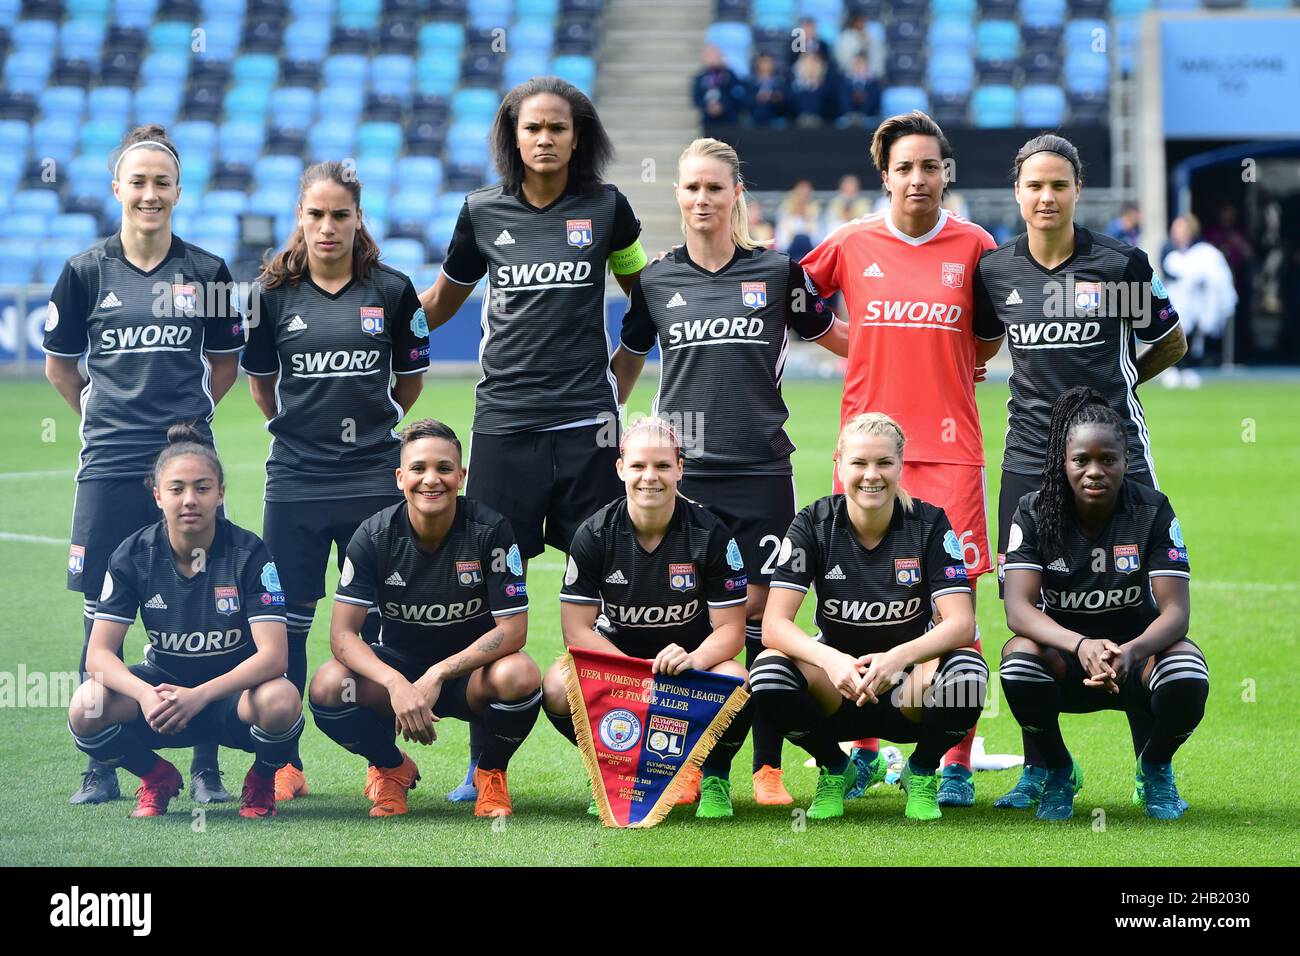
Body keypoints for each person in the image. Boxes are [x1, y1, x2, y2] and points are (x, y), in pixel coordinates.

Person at [415, 77, 647, 801]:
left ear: (579, 137)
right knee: (488, 596)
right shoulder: (481, 212)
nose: (544, 139)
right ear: (511, 137)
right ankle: (487, 765)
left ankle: (621, 750)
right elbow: (437, 304)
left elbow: (648, 300)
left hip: (587, 431)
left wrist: (620, 381)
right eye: (530, 128)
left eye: (557, 127)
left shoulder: (607, 209)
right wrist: (371, 323)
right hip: (506, 430)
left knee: (613, 590)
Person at [610, 138, 849, 805]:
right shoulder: (655, 280)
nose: (702, 199)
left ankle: (767, 767)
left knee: (763, 625)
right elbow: (623, 366)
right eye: (690, 188)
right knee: (707, 628)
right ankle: (708, 769)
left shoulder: (777, 273)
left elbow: (841, 340)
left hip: (764, 475)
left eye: (715, 188)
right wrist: (610, 426)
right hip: (691, 482)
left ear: (736, 194)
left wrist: (927, 356)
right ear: (678, 195)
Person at [973, 134, 1188, 803]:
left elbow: (1170, 341)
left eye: (1058, 185)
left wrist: (1114, 391)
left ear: (1077, 190)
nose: (1046, 196)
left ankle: (1154, 767)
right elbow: (983, 343)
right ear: (1017, 191)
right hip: (1029, 464)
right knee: (1027, 612)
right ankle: (1046, 767)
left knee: (1138, 602)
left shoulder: (1118, 265)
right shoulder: (996, 272)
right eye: (1034, 185)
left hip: (1116, 459)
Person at [800, 111, 1002, 806]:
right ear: (885, 177)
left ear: (946, 172)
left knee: (958, 610)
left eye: (930, 166)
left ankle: (954, 763)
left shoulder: (975, 245)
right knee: (854, 604)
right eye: (905, 168)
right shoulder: (851, 243)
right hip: (865, 456)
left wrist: (959, 361)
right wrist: (849, 345)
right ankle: (858, 751)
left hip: (951, 455)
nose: (918, 178)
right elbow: (796, 300)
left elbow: (990, 332)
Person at [44, 124, 244, 806]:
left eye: (163, 182)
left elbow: (225, 363)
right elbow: (60, 367)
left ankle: (206, 766)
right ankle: (100, 766)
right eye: (139, 181)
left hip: (186, 460)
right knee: (99, 614)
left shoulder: (209, 272)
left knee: (207, 606)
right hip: (108, 464)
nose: (150, 193)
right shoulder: (83, 271)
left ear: (178, 191)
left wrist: (187, 426)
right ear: (117, 190)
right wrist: (104, 422)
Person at [241, 160, 428, 803]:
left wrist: (372, 436)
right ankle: (286, 760)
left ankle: (381, 761)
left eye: (340, 215)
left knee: (373, 629)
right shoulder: (269, 296)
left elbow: (410, 383)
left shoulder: (393, 291)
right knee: (285, 628)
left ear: (357, 219)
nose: (327, 227)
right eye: (315, 214)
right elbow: (262, 387)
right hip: (293, 482)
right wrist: (299, 434)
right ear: (301, 216)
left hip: (373, 481)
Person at [751, 413, 987, 821]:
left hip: (908, 691)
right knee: (767, 673)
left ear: (901, 465)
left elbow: (961, 623)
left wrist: (897, 657)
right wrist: (830, 659)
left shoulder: (929, 524)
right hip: (837, 687)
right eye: (859, 463)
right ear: (839, 464)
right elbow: (773, 625)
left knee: (969, 673)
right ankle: (834, 768)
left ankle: (923, 770)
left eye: (883, 463)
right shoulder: (813, 523)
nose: (871, 475)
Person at [307, 420, 541, 818]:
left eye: (444, 468)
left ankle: (490, 773)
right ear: (400, 477)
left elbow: (513, 631)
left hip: (469, 675)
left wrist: (439, 674)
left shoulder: (491, 530)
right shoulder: (373, 535)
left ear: (461, 476)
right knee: (330, 686)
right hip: (397, 668)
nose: (431, 480)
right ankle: (390, 767)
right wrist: (395, 683)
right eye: (418, 469)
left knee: (520, 674)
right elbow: (343, 636)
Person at [66, 425, 302, 818]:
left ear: (221, 493)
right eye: (176, 489)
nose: (189, 500)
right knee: (86, 705)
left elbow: (275, 657)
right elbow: (99, 655)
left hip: (230, 699)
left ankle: (260, 781)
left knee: (282, 699)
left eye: (202, 487)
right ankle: (156, 776)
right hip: (162, 694)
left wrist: (201, 694)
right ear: (158, 495)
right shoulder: (132, 554)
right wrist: (144, 695)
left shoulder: (249, 552)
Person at [998, 387, 1207, 820]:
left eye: (1107, 460)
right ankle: (1058, 769)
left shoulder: (1153, 510)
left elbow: (1176, 613)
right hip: (1067, 662)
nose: (1094, 471)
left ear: (1127, 461)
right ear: (1063, 462)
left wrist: (1130, 651)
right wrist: (1081, 646)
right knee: (1018, 662)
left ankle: (1155, 768)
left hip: (1136, 661)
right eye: (1081, 460)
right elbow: (1018, 610)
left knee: (1186, 669)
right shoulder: (1033, 511)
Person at [540, 418, 752, 818]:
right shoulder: (594, 533)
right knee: (555, 684)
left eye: (662, 466)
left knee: (737, 679)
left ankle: (714, 776)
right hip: (617, 666)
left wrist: (694, 661)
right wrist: (632, 674)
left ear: (680, 469)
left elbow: (731, 632)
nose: (649, 477)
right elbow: (576, 629)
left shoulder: (711, 534)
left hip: (687, 665)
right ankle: (611, 768)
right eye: (638, 466)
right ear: (621, 469)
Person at [1160, 213, 1236, 382]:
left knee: (1192, 335)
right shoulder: (1168, 250)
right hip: (1174, 303)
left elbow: (1215, 276)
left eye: (1180, 229)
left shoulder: (1203, 252)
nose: (1176, 233)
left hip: (1194, 304)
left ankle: (1188, 367)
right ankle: (1172, 367)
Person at [692, 44, 747, 132]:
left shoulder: (729, 75)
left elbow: (737, 94)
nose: (712, 59)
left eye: (714, 55)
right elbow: (696, 97)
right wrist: (707, 107)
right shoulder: (701, 77)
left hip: (728, 118)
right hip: (709, 120)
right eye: (709, 56)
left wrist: (723, 106)